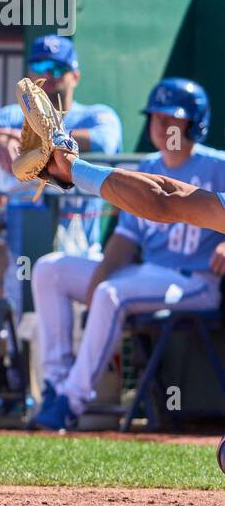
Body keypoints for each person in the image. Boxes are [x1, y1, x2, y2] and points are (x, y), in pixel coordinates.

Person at [28, 79, 225, 431]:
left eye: (172, 117)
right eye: (156, 116)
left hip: (196, 280)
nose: (162, 124)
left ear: (194, 123)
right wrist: (100, 274)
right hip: (150, 272)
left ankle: (70, 403)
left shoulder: (218, 165)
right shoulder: (147, 166)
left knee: (111, 293)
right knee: (49, 269)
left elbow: (170, 201)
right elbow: (141, 221)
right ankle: (56, 387)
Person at [0, 36, 122, 316]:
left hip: (79, 251)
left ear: (75, 76)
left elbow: (105, 141)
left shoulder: (94, 115)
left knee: (77, 330)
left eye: (57, 68)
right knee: (15, 328)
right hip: (19, 252)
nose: (47, 75)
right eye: (39, 66)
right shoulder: (12, 116)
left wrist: (41, 138)